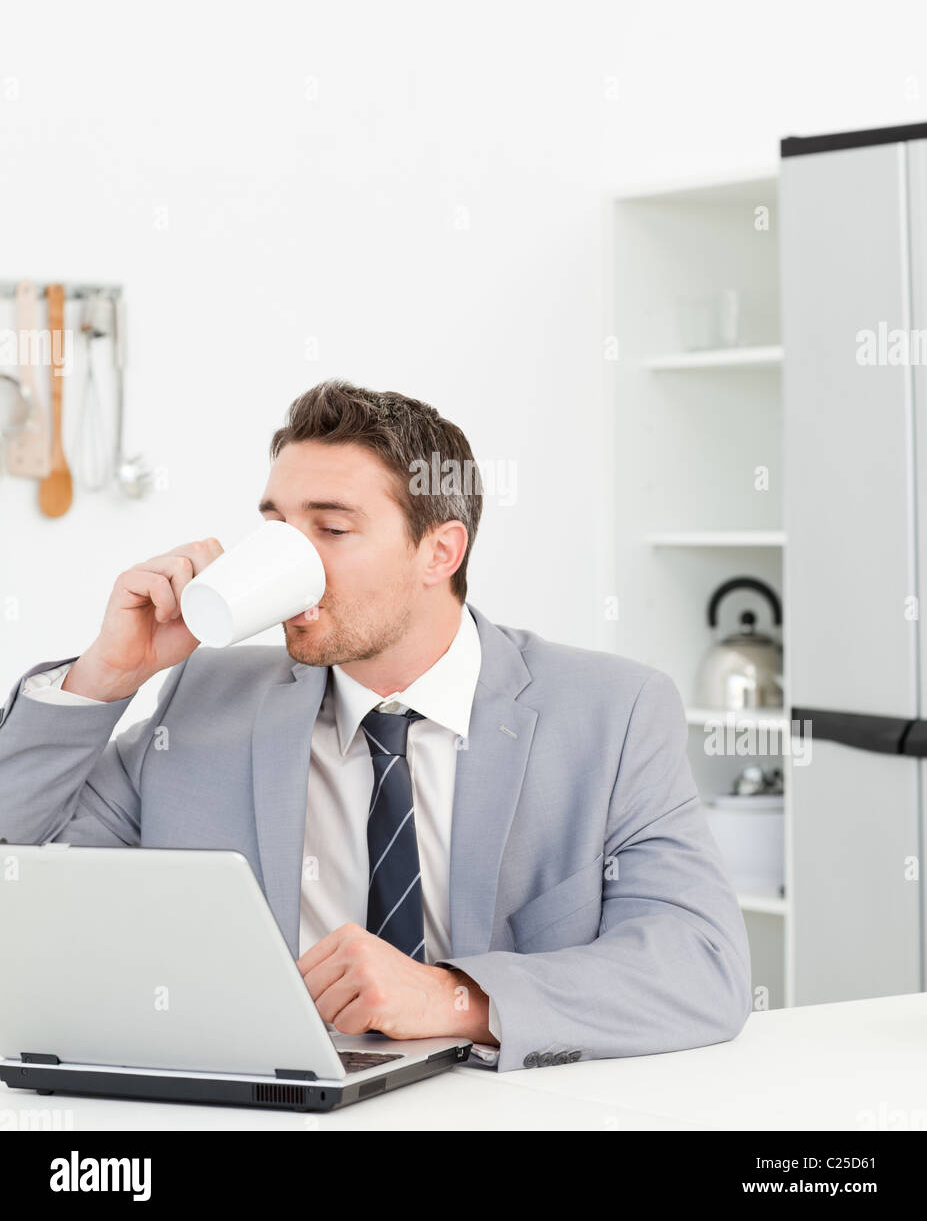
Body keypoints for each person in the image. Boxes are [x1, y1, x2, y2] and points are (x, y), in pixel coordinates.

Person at [0, 379, 752, 1072]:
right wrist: (103, 680)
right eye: (277, 527)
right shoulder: (204, 701)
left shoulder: (609, 713)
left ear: (439, 551)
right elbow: (18, 870)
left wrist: (453, 997)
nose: (291, 559)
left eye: (329, 528)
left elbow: (700, 965)